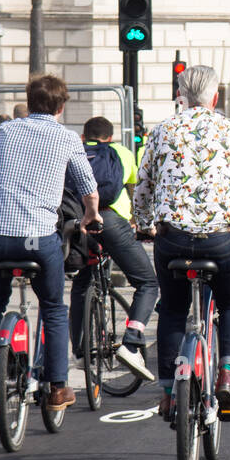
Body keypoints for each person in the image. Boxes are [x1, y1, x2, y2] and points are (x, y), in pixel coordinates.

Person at [133, 64, 230, 422]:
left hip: (173, 239)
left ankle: (168, 392)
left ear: (181, 96)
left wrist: (146, 224)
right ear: (215, 97)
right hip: (220, 239)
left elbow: (144, 185)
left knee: (173, 311)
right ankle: (227, 375)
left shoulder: (162, 130)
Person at [0, 74, 101, 410]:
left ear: (29, 100)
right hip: (37, 236)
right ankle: (57, 388)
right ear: (61, 106)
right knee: (52, 307)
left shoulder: (5, 131)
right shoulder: (66, 138)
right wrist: (90, 216)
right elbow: (88, 189)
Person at [67, 116, 158, 380]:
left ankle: (81, 352)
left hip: (76, 223)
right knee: (147, 283)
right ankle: (132, 339)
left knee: (82, 284)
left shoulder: (73, 150)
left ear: (84, 137)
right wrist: (141, 224)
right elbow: (134, 185)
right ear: (110, 137)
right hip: (111, 222)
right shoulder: (120, 152)